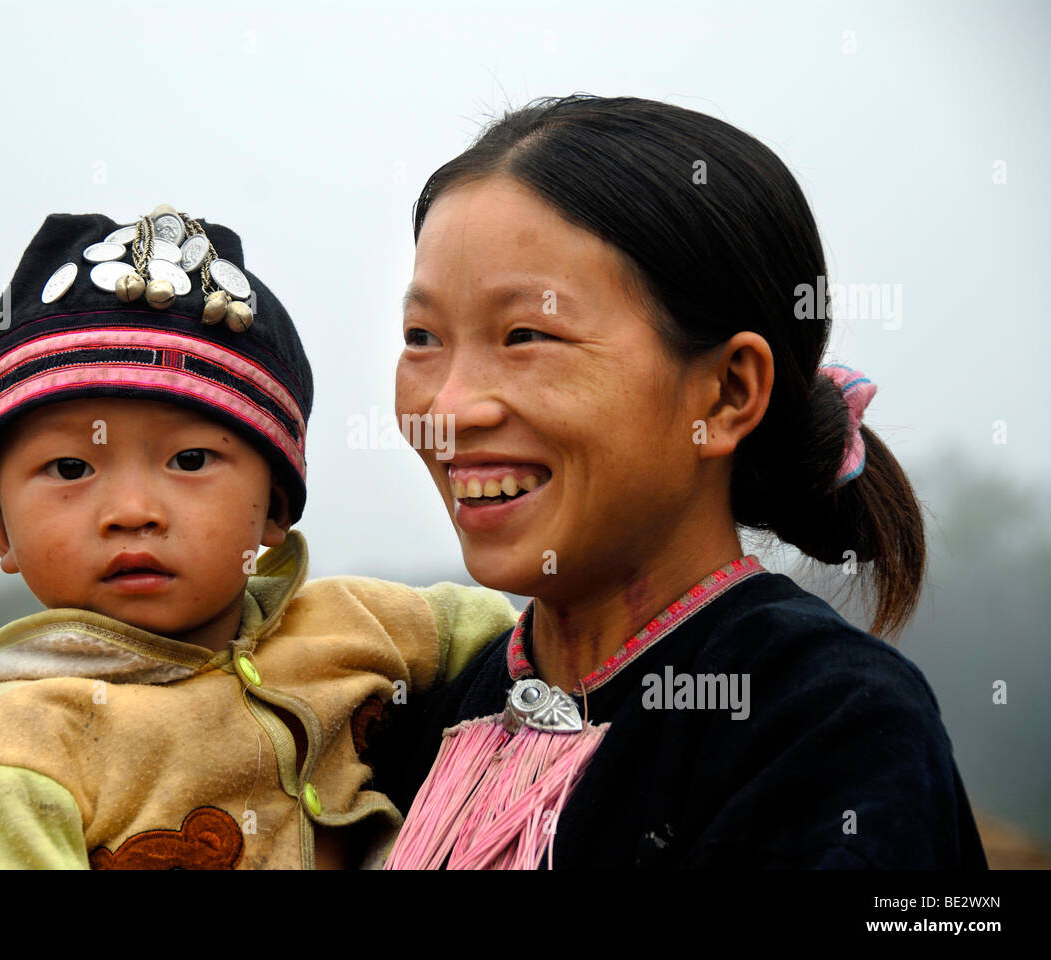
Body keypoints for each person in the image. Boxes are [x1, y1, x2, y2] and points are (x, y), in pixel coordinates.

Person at [378, 96, 988, 869]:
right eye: (422, 337)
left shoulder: (832, 727)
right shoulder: (423, 715)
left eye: (525, 335)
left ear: (729, 392)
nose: (449, 408)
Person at [0, 204, 517, 870]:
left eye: (189, 460)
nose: (132, 511)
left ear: (276, 509)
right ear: (5, 533)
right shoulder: (18, 750)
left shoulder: (373, 629)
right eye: (70, 468)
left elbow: (544, 648)